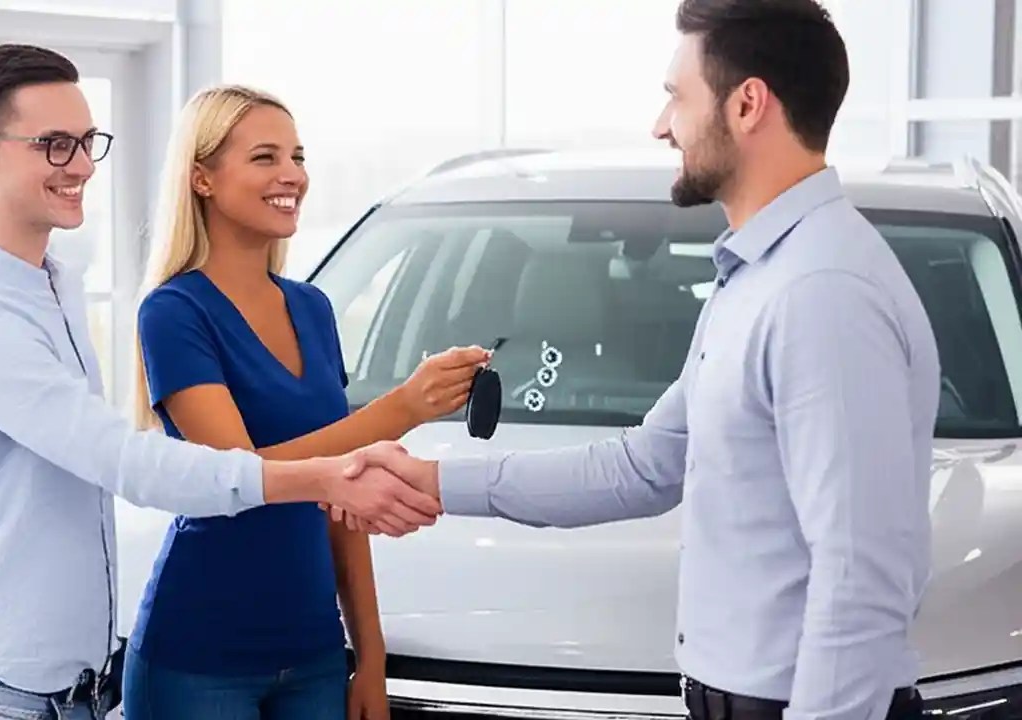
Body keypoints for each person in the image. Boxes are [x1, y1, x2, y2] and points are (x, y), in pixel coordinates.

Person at [336, 2, 940, 720]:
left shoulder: (821, 293)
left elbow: (861, 578)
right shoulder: (758, 277)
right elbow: (646, 464)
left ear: (748, 104)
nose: (662, 126)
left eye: (676, 97)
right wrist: (433, 481)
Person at [0, 45, 441, 720]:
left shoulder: (53, 286)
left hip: (75, 690)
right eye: (52, 144)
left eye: (84, 142)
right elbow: (127, 461)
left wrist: (370, 650)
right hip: (3, 694)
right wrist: (332, 468)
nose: (78, 165)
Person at [119, 84, 489, 720]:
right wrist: (402, 407)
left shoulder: (312, 309)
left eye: (297, 156)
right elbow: (236, 476)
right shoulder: (174, 313)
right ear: (202, 178)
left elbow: (339, 496)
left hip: (314, 654)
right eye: (265, 157)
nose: (292, 174)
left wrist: (369, 656)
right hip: (200, 656)